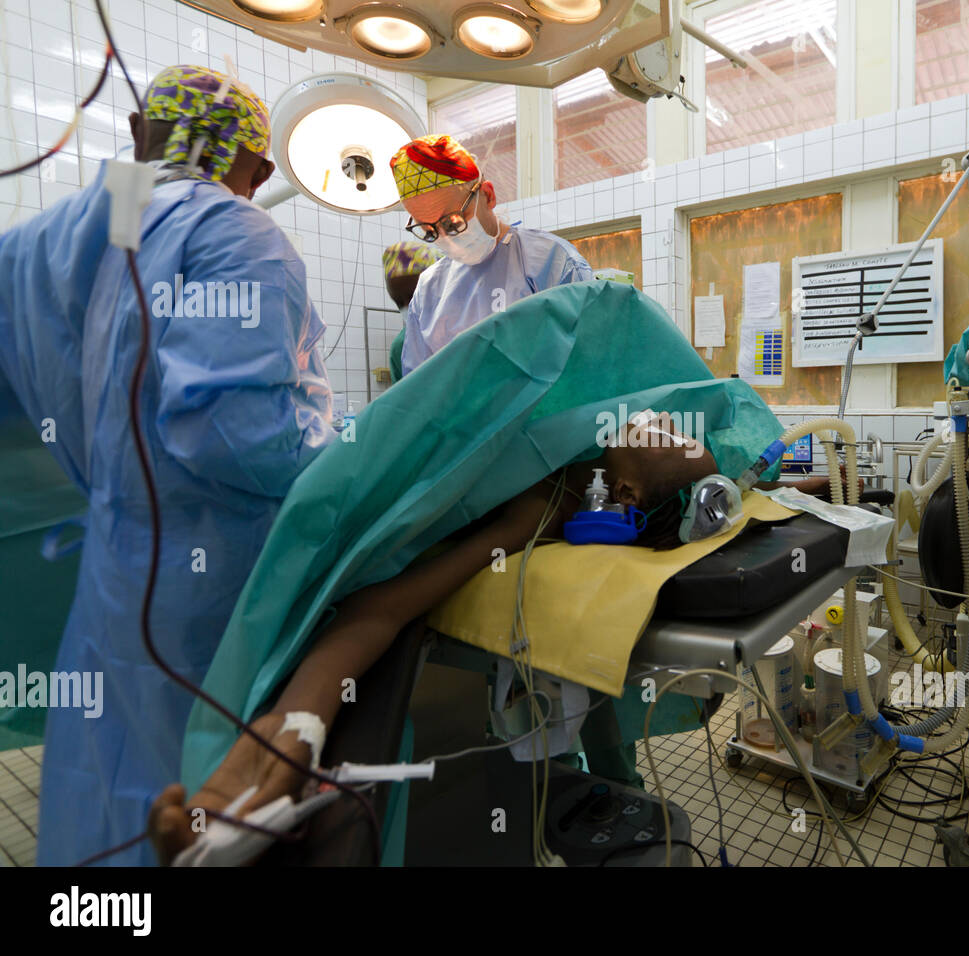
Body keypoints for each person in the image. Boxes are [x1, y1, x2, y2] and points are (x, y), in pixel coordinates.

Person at [0, 65, 335, 865]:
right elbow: (234, 433)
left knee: (107, 769)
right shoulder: (235, 232)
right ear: (243, 158)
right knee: (204, 783)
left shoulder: (50, 239)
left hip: (112, 566)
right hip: (213, 578)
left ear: (138, 129)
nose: (255, 190)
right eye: (258, 174)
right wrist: (342, 456)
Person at [148, 412, 719, 864]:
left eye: (667, 433)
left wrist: (297, 723)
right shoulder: (573, 452)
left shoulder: (535, 513)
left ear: (623, 492)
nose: (660, 416)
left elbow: (387, 608)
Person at [390, 135, 593, 374]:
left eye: (453, 222)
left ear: (488, 195)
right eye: (429, 230)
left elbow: (590, 361)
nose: (445, 236)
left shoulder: (552, 261)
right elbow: (420, 388)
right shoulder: (429, 290)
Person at [380, 241, 441, 384]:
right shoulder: (402, 347)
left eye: (413, 297)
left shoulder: (468, 327)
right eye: (399, 301)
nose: (408, 307)